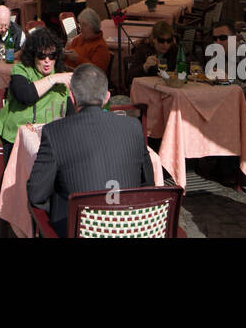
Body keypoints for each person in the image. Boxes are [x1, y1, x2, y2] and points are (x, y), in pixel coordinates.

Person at [27, 64, 154, 236]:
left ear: (72, 97)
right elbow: (148, 185)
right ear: (107, 97)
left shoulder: (54, 132)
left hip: (77, 230)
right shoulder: (133, 127)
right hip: (128, 228)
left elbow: (36, 194)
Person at [0, 27, 72, 161]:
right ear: (33, 55)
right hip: (17, 139)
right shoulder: (21, 70)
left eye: (52, 55)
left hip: (49, 142)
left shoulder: (60, 76)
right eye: (42, 56)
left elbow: (71, 113)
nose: (47, 60)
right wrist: (52, 79)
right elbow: (25, 96)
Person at [64, 9, 111, 74]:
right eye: (80, 24)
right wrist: (63, 54)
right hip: (68, 75)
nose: (81, 28)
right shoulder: (78, 39)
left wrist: (77, 59)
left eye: (84, 25)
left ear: (93, 26)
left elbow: (97, 73)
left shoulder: (100, 47)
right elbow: (66, 61)